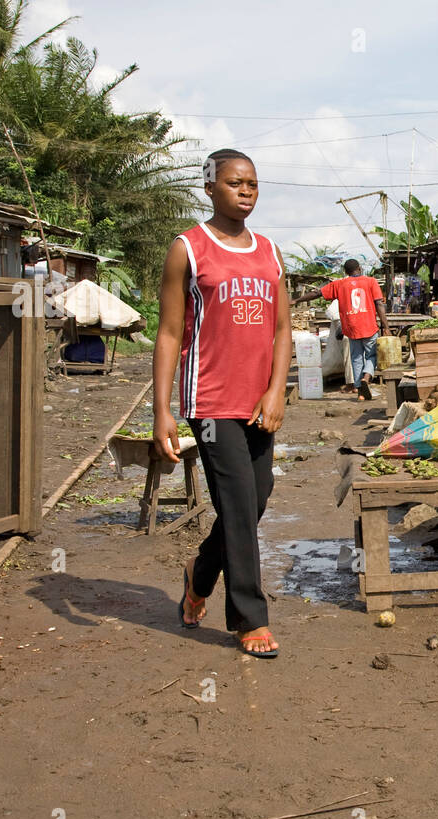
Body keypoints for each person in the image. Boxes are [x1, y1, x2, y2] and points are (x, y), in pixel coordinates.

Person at [153, 148, 292, 659]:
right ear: (210, 187)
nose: (246, 191)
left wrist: (277, 389)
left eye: (253, 183)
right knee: (236, 503)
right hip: (209, 400)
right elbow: (169, 332)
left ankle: (200, 574)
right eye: (235, 183)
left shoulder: (271, 253)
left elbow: (282, 329)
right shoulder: (188, 249)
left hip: (259, 401)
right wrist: (161, 410)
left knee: (256, 498)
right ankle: (249, 619)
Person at [294, 260, 388, 400]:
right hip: (369, 326)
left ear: (345, 272)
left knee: (356, 358)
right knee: (372, 355)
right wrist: (385, 326)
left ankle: (360, 392)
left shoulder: (339, 284)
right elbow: (379, 303)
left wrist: (296, 301)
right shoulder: (371, 281)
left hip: (351, 328)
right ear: (360, 268)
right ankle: (366, 379)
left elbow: (317, 293)